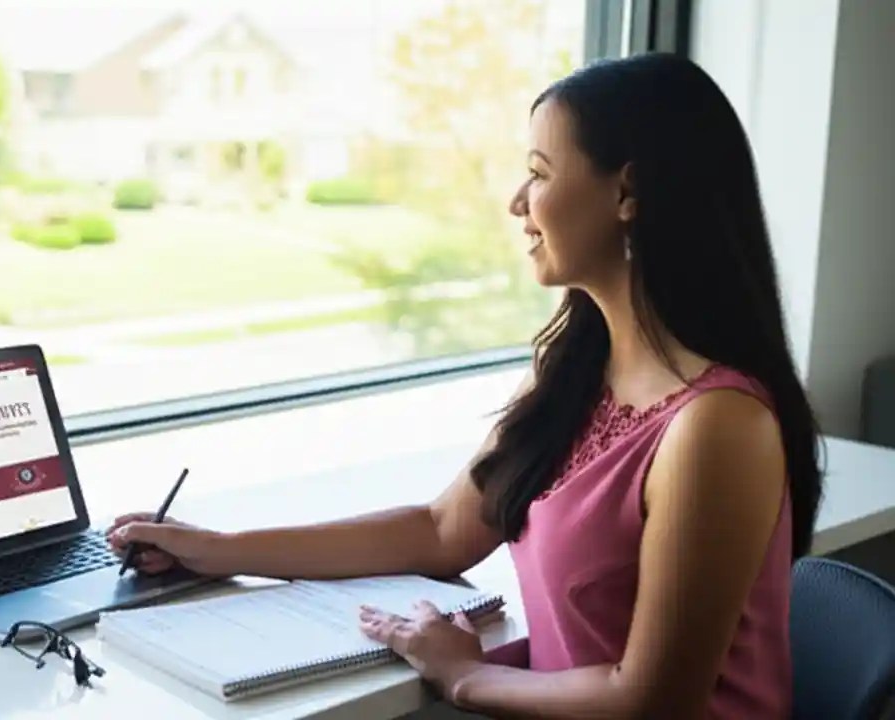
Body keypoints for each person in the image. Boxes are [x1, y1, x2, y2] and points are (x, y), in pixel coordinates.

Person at [107, 52, 822, 719]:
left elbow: (651, 700)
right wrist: (219, 549)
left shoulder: (717, 426)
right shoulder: (576, 370)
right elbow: (442, 530)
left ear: (627, 192)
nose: (518, 202)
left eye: (540, 173)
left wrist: (464, 675)